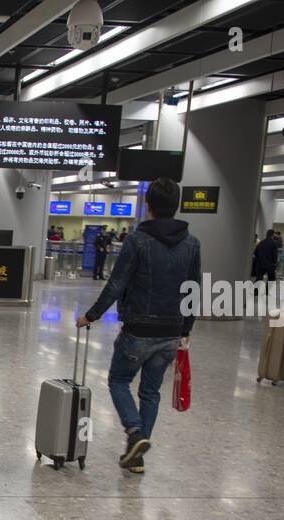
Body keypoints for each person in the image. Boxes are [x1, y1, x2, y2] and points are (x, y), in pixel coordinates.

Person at [78, 178, 201, 474]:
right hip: (171, 331)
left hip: (138, 330)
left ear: (148, 206)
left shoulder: (137, 240)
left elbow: (117, 284)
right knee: (150, 392)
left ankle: (135, 433)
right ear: (177, 206)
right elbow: (193, 288)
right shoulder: (192, 243)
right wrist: (186, 329)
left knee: (118, 381)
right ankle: (137, 456)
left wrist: (91, 316)